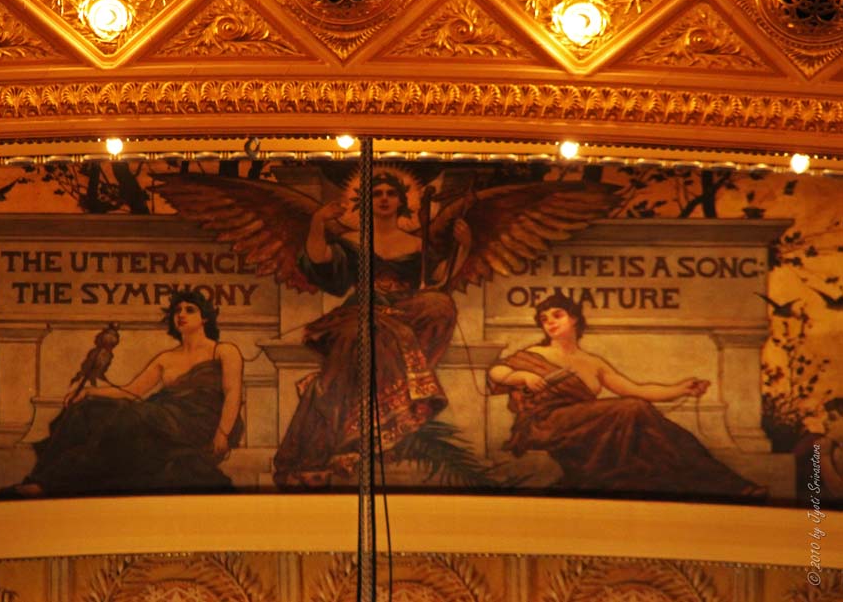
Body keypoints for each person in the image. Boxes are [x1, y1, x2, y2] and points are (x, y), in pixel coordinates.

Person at [273, 172, 471, 486]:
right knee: (364, 334)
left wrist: (464, 248)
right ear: (366, 203)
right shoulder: (351, 240)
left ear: (402, 202)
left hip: (404, 311)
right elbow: (319, 261)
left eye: (390, 194)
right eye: (376, 193)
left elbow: (438, 283)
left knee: (439, 305)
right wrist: (317, 223)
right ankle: (354, 435)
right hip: (360, 311)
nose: (383, 198)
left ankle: (382, 422)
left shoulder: (418, 245)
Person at [487, 291, 764, 499]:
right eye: (544, 319)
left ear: (574, 319)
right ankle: (725, 484)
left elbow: (638, 390)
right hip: (546, 424)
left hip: (586, 426)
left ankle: (718, 482)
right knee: (631, 410)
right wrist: (521, 376)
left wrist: (681, 389)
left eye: (557, 315)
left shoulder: (592, 362)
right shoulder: (536, 355)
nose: (549, 322)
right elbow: (495, 372)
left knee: (640, 416)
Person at [1, 290, 244, 498]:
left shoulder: (224, 351)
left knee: (126, 416)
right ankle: (40, 479)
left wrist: (222, 433)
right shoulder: (166, 358)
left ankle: (49, 482)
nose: (181, 314)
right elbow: (132, 391)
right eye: (177, 310)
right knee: (86, 410)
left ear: (204, 318)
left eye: (190, 309)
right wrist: (88, 392)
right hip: (163, 417)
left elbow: (233, 393)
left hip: (200, 422)